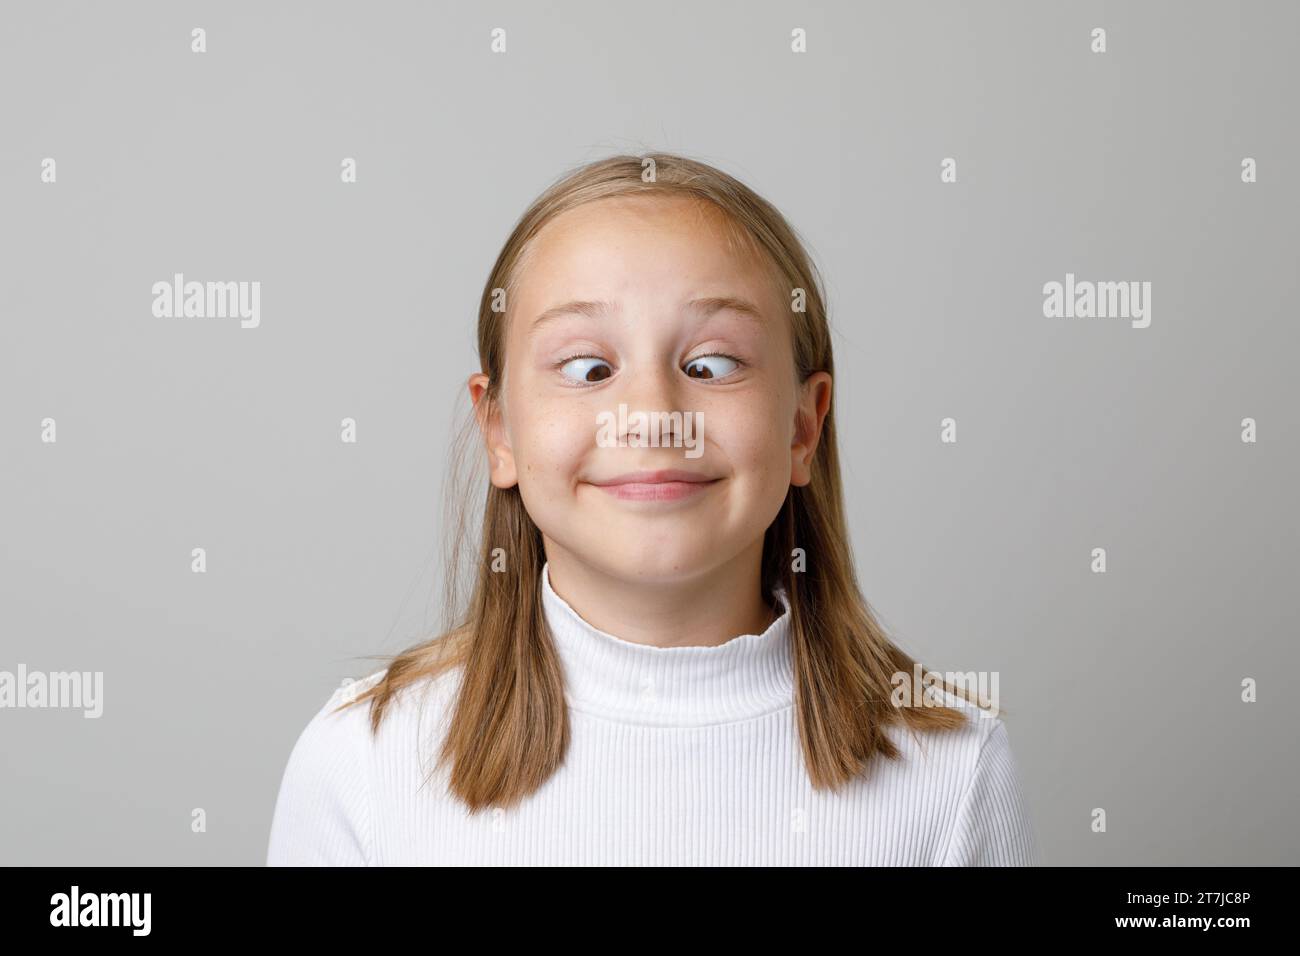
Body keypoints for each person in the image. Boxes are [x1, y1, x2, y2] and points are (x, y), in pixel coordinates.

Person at [266, 153, 1040, 865]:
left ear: (803, 427)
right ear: (499, 430)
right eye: (588, 367)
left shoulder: (952, 771)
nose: (651, 415)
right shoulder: (364, 761)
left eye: (710, 364)